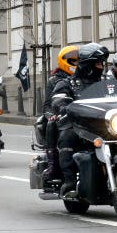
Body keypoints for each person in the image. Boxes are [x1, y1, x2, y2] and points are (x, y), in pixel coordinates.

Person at [51, 42, 111, 197]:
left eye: (102, 63)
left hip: (105, 126)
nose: (101, 66)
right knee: (67, 136)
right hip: (81, 128)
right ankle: (69, 181)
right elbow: (58, 100)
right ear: (87, 65)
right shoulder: (68, 83)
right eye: (98, 63)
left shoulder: (107, 83)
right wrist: (63, 105)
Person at [41, 45, 78, 180]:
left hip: (79, 115)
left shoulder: (82, 77)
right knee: (51, 124)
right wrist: (52, 115)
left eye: (79, 61)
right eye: (74, 62)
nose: (77, 64)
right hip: (61, 115)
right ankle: (52, 164)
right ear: (65, 61)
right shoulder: (54, 80)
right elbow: (47, 105)